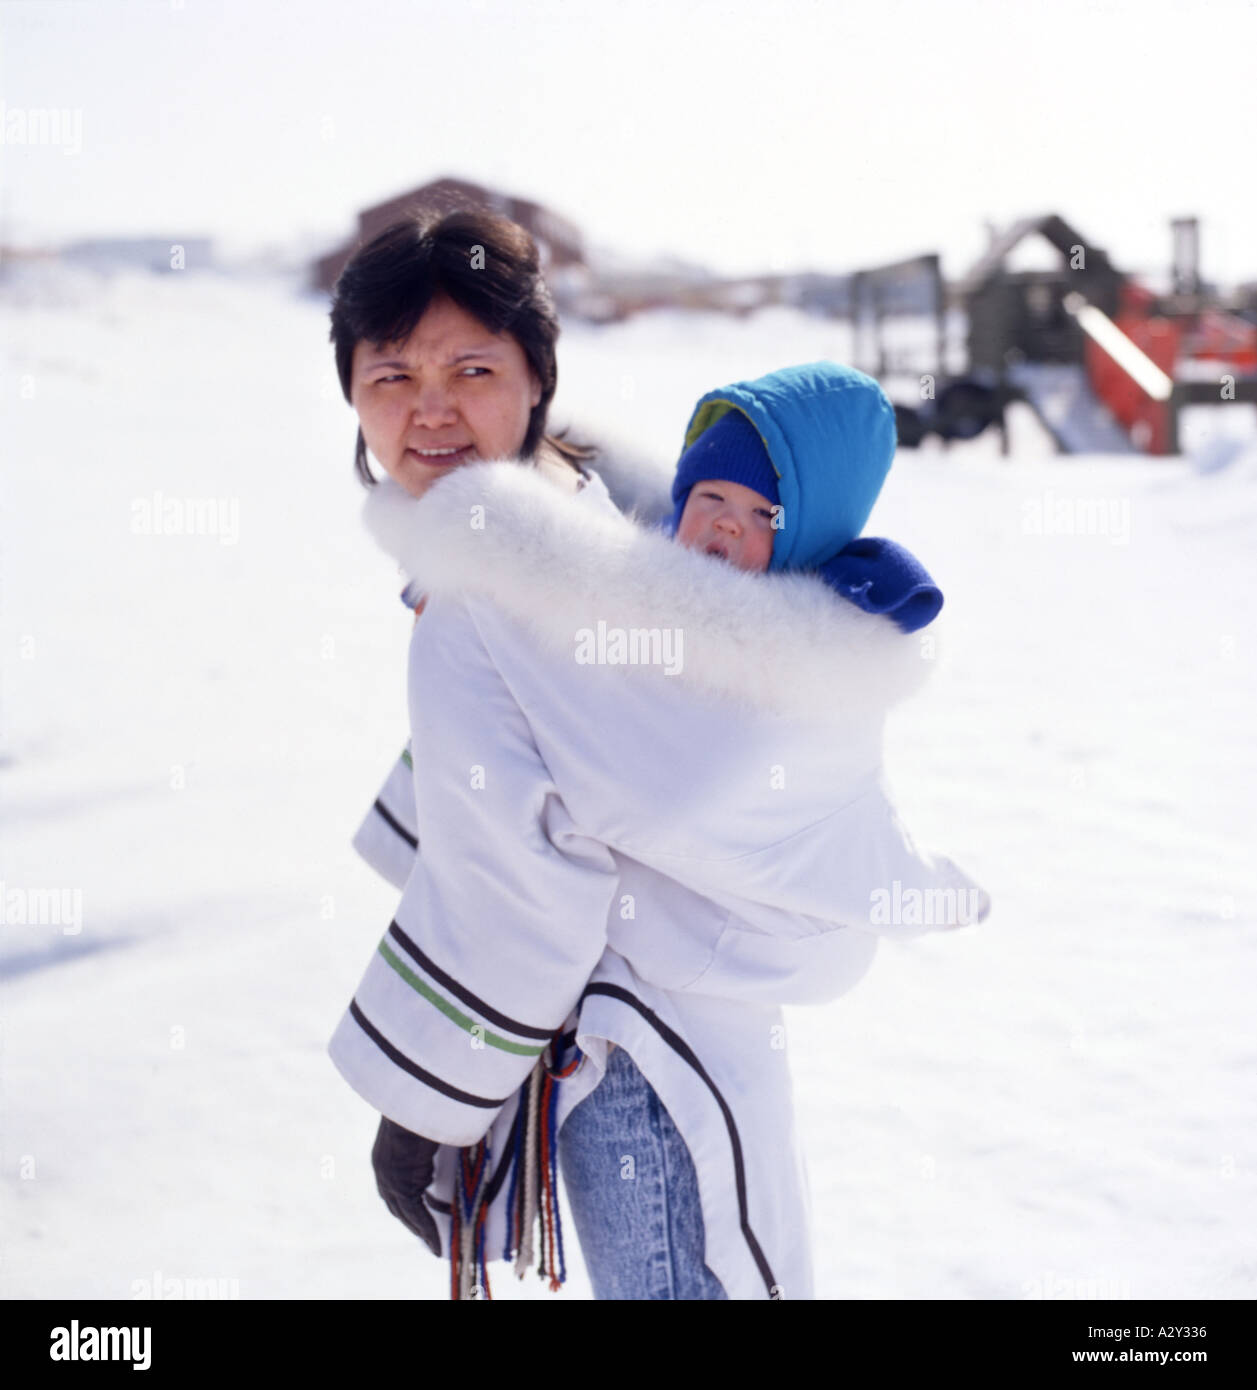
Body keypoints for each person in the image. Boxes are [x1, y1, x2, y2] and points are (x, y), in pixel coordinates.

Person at [330, 322, 990, 1298]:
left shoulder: (749, 668)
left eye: (761, 511)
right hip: (657, 1047)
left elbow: (538, 858)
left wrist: (431, 1094)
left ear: (809, 530)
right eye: (705, 497)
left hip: (646, 1060)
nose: (720, 526)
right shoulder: (661, 617)